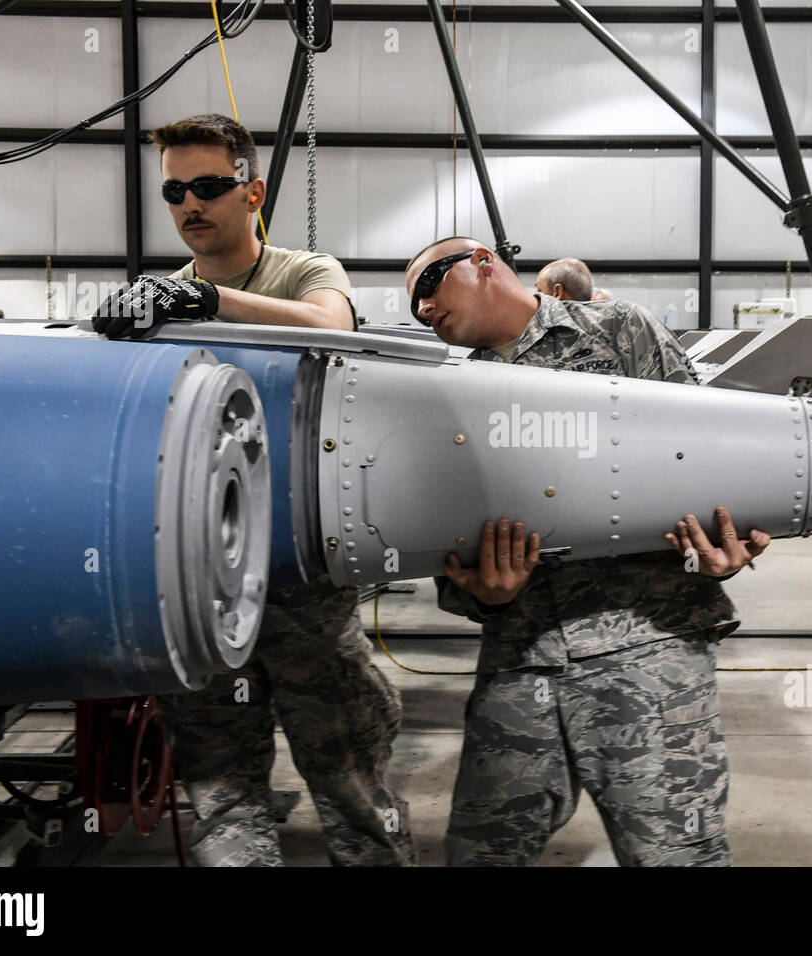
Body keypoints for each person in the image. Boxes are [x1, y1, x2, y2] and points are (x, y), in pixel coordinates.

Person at [97, 114, 415, 866]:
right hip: (198, 584)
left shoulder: (303, 273)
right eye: (175, 191)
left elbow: (327, 325)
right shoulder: (160, 299)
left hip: (300, 581)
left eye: (209, 186)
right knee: (221, 790)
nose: (189, 206)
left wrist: (209, 305)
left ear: (253, 191)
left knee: (351, 780)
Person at [406, 236, 771, 866]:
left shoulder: (617, 330)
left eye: (430, 283)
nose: (421, 307)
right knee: (480, 852)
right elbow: (451, 536)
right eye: (411, 301)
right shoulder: (450, 391)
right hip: (522, 653)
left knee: (674, 854)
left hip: (648, 645)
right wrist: (481, 596)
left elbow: (711, 455)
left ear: (484, 262)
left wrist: (721, 547)